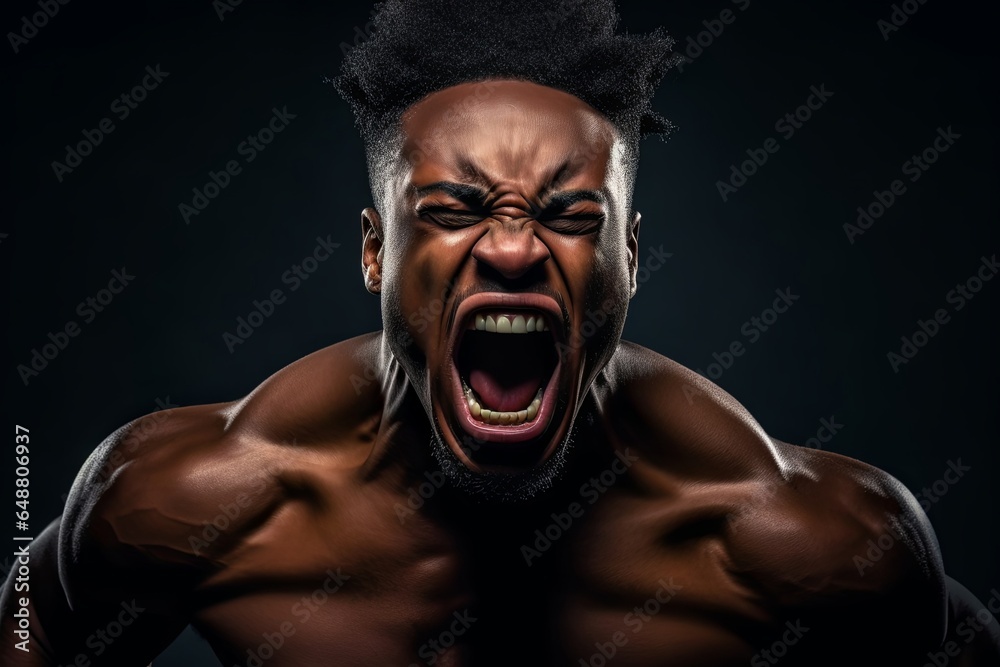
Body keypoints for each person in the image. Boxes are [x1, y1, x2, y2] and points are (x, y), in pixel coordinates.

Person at [2, 0, 998, 665]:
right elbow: (30, 617)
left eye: (569, 215)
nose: (515, 248)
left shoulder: (802, 535)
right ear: (375, 251)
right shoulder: (192, 496)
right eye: (451, 209)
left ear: (631, 258)